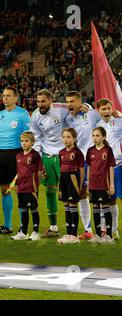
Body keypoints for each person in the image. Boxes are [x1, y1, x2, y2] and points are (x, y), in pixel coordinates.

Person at [30, 89, 68, 237]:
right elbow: (36, 138)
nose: (40, 105)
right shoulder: (35, 115)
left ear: (51, 100)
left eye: (43, 101)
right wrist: (40, 160)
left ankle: (76, 228)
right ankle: (53, 227)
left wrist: (87, 106)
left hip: (63, 156)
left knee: (67, 192)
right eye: (38, 102)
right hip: (46, 155)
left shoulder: (61, 109)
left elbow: (76, 108)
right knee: (50, 190)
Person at [65, 91, 100, 240]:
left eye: (72, 101)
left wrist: (89, 107)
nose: (69, 104)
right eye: (67, 102)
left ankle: (105, 229)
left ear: (80, 102)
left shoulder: (91, 114)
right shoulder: (68, 119)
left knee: (99, 194)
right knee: (81, 194)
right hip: (78, 161)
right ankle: (88, 229)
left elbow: (108, 117)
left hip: (94, 160)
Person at [96, 98, 122, 240]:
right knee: (110, 200)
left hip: (121, 165)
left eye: (109, 108)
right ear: (99, 111)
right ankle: (113, 230)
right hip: (105, 169)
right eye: (103, 109)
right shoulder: (98, 126)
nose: (107, 111)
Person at [0, 87, 30, 234]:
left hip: (17, 154)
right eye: (4, 96)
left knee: (20, 189)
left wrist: (25, 155)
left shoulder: (23, 114)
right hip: (1, 154)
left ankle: (23, 227)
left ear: (15, 98)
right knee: (5, 190)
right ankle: (7, 225)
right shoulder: (1, 115)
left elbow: (29, 136)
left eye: (8, 96)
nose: (5, 98)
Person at [10, 132, 42, 241]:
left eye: (26, 141)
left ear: (33, 142)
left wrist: (37, 186)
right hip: (21, 188)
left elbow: (40, 171)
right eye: (22, 141)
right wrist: (15, 183)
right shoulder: (18, 155)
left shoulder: (35, 155)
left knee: (33, 209)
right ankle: (23, 232)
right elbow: (19, 172)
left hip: (31, 188)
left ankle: (36, 232)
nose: (24, 143)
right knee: (23, 209)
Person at [86, 127, 115, 243]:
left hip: (104, 184)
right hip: (93, 184)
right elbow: (89, 168)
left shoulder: (108, 150)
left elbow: (111, 167)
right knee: (96, 208)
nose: (95, 138)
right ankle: (98, 235)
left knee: (106, 208)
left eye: (97, 135)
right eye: (93, 135)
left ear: (103, 137)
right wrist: (87, 184)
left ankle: (109, 235)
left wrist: (111, 185)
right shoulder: (90, 151)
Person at [56, 128, 85, 244]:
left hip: (73, 179)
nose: (65, 139)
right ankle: (68, 234)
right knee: (66, 205)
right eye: (64, 137)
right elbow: (60, 169)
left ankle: (74, 235)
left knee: (72, 205)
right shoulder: (61, 152)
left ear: (74, 138)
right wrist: (59, 185)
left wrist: (80, 184)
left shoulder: (77, 152)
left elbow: (82, 170)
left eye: (68, 137)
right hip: (63, 179)